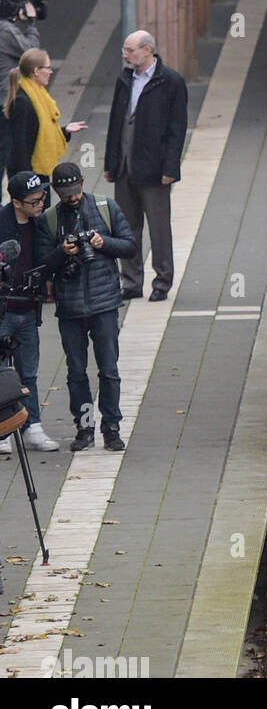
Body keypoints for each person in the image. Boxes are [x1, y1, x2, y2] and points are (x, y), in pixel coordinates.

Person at [34, 162, 136, 452]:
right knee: (76, 371)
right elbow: (42, 266)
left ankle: (112, 427)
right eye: (65, 193)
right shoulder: (50, 220)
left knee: (109, 369)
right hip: (70, 308)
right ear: (56, 191)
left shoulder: (106, 207)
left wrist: (103, 243)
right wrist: (61, 252)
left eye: (75, 191)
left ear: (82, 183)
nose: (72, 197)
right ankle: (85, 428)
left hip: (104, 304)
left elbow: (130, 246)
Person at [104, 30, 187, 303]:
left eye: (130, 50)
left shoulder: (170, 81)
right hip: (124, 167)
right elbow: (115, 122)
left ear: (147, 50)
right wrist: (110, 162)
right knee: (127, 227)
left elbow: (177, 129)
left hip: (154, 170)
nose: (126, 55)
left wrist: (170, 168)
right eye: (125, 50)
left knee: (159, 227)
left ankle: (162, 281)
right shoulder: (124, 79)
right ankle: (131, 281)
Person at [0, 170, 58, 454]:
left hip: (28, 309)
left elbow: (46, 260)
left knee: (29, 372)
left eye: (42, 197)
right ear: (16, 202)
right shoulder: (2, 224)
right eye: (34, 200)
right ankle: (2, 430)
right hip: (3, 309)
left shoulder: (40, 224)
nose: (40, 204)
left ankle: (32, 425)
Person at [5, 48, 86, 183]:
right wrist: (28, 180)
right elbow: (19, 146)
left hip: (37, 174)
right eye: (47, 68)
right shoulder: (22, 102)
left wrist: (64, 131)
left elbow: (39, 134)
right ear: (36, 71)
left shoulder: (39, 95)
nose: (50, 71)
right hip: (29, 177)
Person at [0, 0, 41, 186]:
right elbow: (31, 53)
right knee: (11, 155)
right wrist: (31, 24)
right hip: (5, 105)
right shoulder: (6, 31)